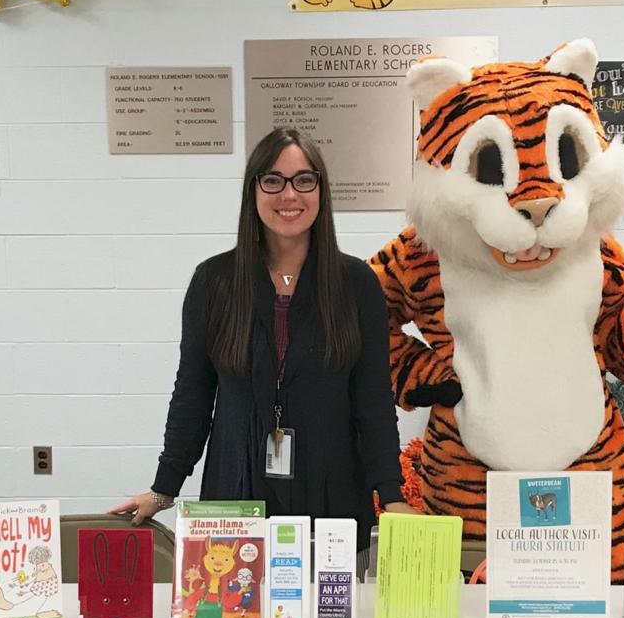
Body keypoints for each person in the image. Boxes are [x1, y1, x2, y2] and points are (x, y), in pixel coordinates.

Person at [111, 127, 413, 551]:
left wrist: (392, 494)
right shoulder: (214, 281)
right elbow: (192, 395)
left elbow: (374, 401)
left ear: (321, 191)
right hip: (236, 487)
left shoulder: (355, 283)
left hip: (331, 490)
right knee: (232, 609)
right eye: (273, 180)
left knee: (328, 617)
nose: (289, 195)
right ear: (253, 190)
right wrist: (164, 488)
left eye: (304, 180)